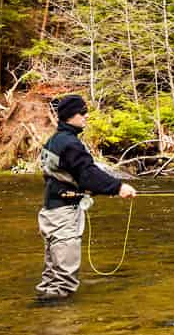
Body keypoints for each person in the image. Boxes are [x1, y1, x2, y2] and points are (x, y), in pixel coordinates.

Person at [35, 93, 136, 302]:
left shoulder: (54, 141)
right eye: (82, 112)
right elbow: (88, 175)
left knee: (52, 275)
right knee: (64, 279)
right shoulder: (70, 144)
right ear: (70, 115)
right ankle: (60, 325)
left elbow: (76, 174)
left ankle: (46, 316)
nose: (86, 116)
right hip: (63, 214)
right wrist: (118, 187)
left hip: (51, 212)